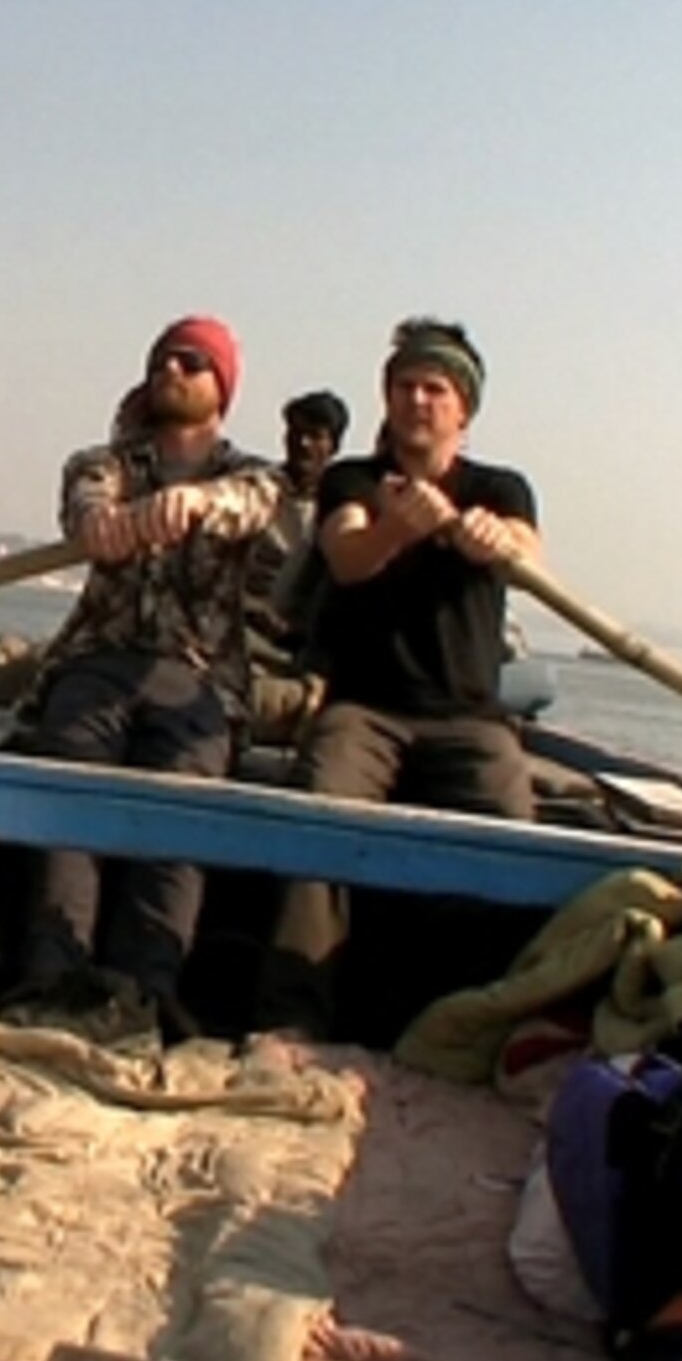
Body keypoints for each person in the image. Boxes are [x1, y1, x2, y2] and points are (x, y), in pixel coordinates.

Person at [254, 318, 541, 1040]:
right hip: (365, 712)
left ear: (462, 409)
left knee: (513, 824)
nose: (418, 400)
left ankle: (479, 1026)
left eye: (434, 389)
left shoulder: (501, 487)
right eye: (404, 386)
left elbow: (530, 558)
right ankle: (292, 1018)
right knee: (318, 816)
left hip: (470, 721)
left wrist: (496, 541)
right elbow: (348, 553)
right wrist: (401, 527)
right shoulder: (354, 479)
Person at [5, 316, 284, 1041]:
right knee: (68, 798)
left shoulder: (250, 476)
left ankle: (145, 991)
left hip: (197, 680)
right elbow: (85, 497)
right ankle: (53, 978)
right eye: (164, 357)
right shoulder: (106, 463)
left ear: (220, 387)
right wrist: (100, 521)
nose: (174, 369)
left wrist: (199, 503)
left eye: (193, 361)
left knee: (178, 817)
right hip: (97, 662)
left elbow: (257, 506)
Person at [245, 390, 351, 745]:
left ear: (333, 446)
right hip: (247, 631)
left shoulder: (346, 510)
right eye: (296, 433)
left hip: (308, 645)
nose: (303, 444)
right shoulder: (254, 493)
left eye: (316, 436)